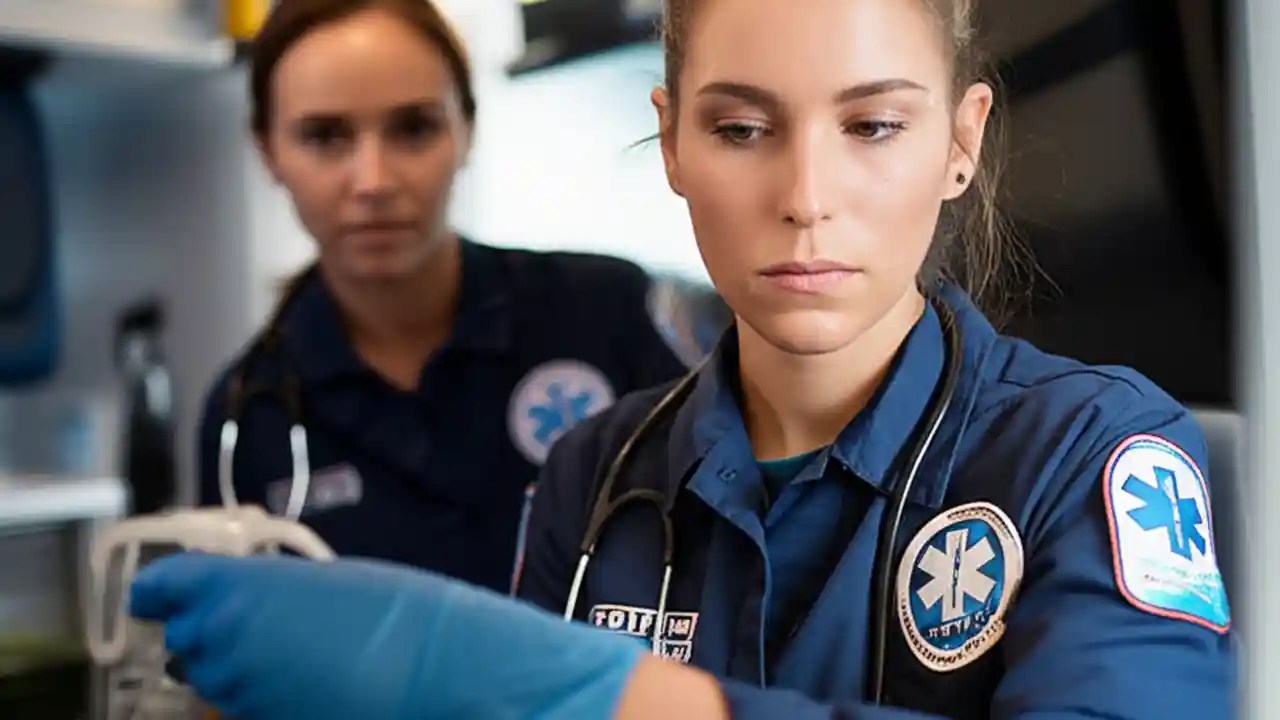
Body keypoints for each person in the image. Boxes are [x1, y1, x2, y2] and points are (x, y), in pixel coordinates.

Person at [132, 0, 1234, 717]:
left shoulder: (1092, 451)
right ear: (670, 143)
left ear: (961, 141)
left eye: (873, 127)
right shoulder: (593, 473)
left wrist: (635, 702)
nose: (804, 200)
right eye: (742, 129)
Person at [201, 0, 717, 593]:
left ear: (466, 130)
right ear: (268, 152)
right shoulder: (246, 416)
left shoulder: (606, 313)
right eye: (325, 137)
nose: (373, 181)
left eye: (413, 129)